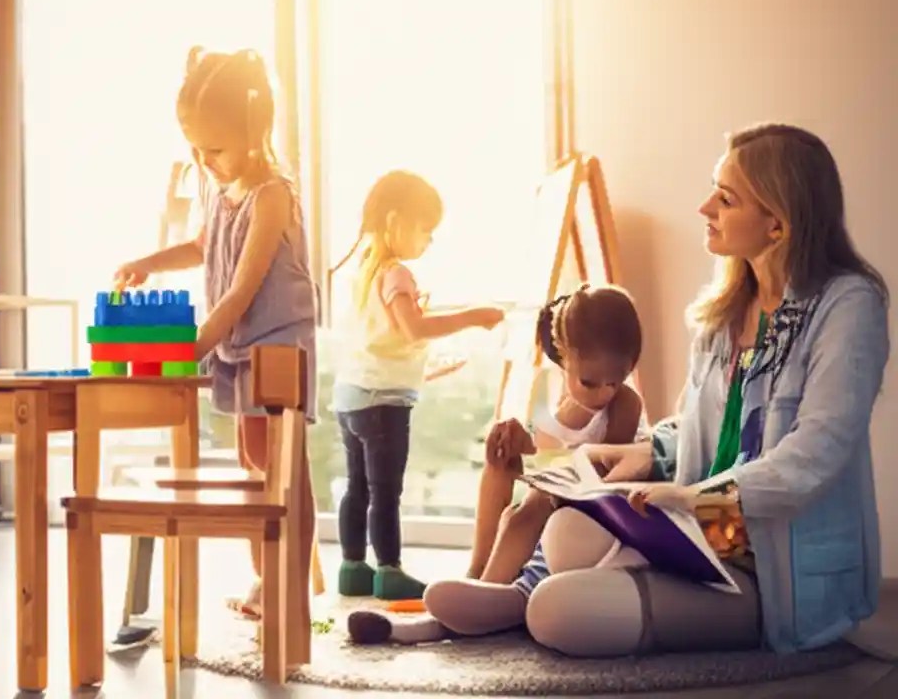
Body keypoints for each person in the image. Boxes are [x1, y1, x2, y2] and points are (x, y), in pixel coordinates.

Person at [369, 123, 891, 656]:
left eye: (726, 199)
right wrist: (638, 455)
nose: (704, 207)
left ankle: (526, 605)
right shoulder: (726, 312)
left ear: (776, 225)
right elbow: (689, 429)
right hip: (704, 534)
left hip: (772, 566)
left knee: (559, 611)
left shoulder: (848, 306)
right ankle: (513, 601)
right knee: (566, 530)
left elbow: (814, 457)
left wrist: (691, 498)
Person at [113, 46, 317, 617]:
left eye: (216, 150)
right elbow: (204, 247)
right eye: (196, 150)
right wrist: (149, 261)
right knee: (253, 462)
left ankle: (290, 589)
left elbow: (242, 288)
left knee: (283, 467)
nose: (206, 162)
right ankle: (263, 578)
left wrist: (189, 348)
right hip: (237, 346)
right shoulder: (216, 186)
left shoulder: (272, 195)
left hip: (277, 345)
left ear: (255, 130)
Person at [348, 284, 647, 642]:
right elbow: (545, 461)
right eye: (590, 381)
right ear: (564, 355)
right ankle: (475, 578)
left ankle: (466, 607)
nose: (605, 393)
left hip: (594, 512)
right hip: (549, 505)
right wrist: (518, 446)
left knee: (526, 512)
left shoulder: (625, 404)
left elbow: (599, 467)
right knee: (502, 471)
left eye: (617, 381)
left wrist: (544, 471)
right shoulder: (545, 391)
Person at [328, 170, 505, 600]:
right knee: (386, 490)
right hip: (383, 404)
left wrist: (424, 371)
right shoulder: (396, 273)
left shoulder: (361, 272)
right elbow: (412, 329)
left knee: (357, 486)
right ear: (397, 222)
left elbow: (380, 342)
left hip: (352, 396)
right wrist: (472, 316)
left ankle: (353, 567)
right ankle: (389, 570)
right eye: (426, 230)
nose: (429, 241)